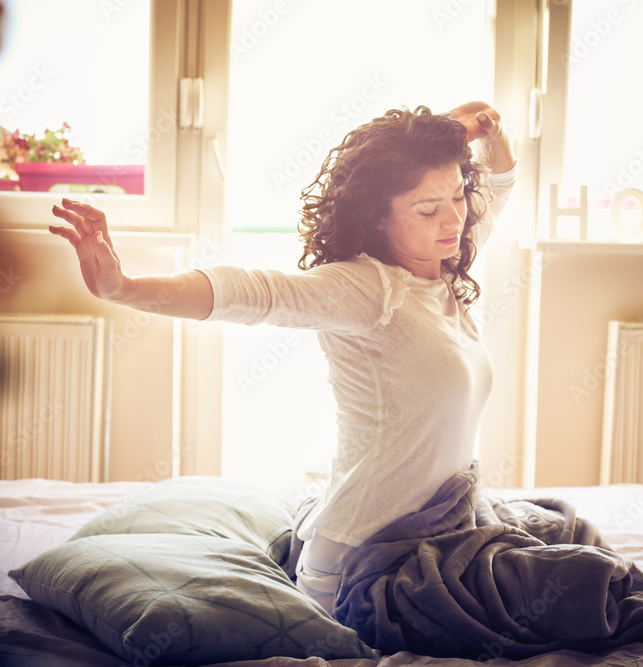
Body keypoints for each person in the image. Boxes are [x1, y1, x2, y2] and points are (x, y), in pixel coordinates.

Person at [49, 101, 516, 614]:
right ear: (377, 218)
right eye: (428, 209)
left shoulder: (443, 259)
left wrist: (476, 134)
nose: (454, 217)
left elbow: (499, 185)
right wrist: (124, 287)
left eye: (458, 195)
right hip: (361, 564)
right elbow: (253, 292)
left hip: (428, 538)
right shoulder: (366, 289)